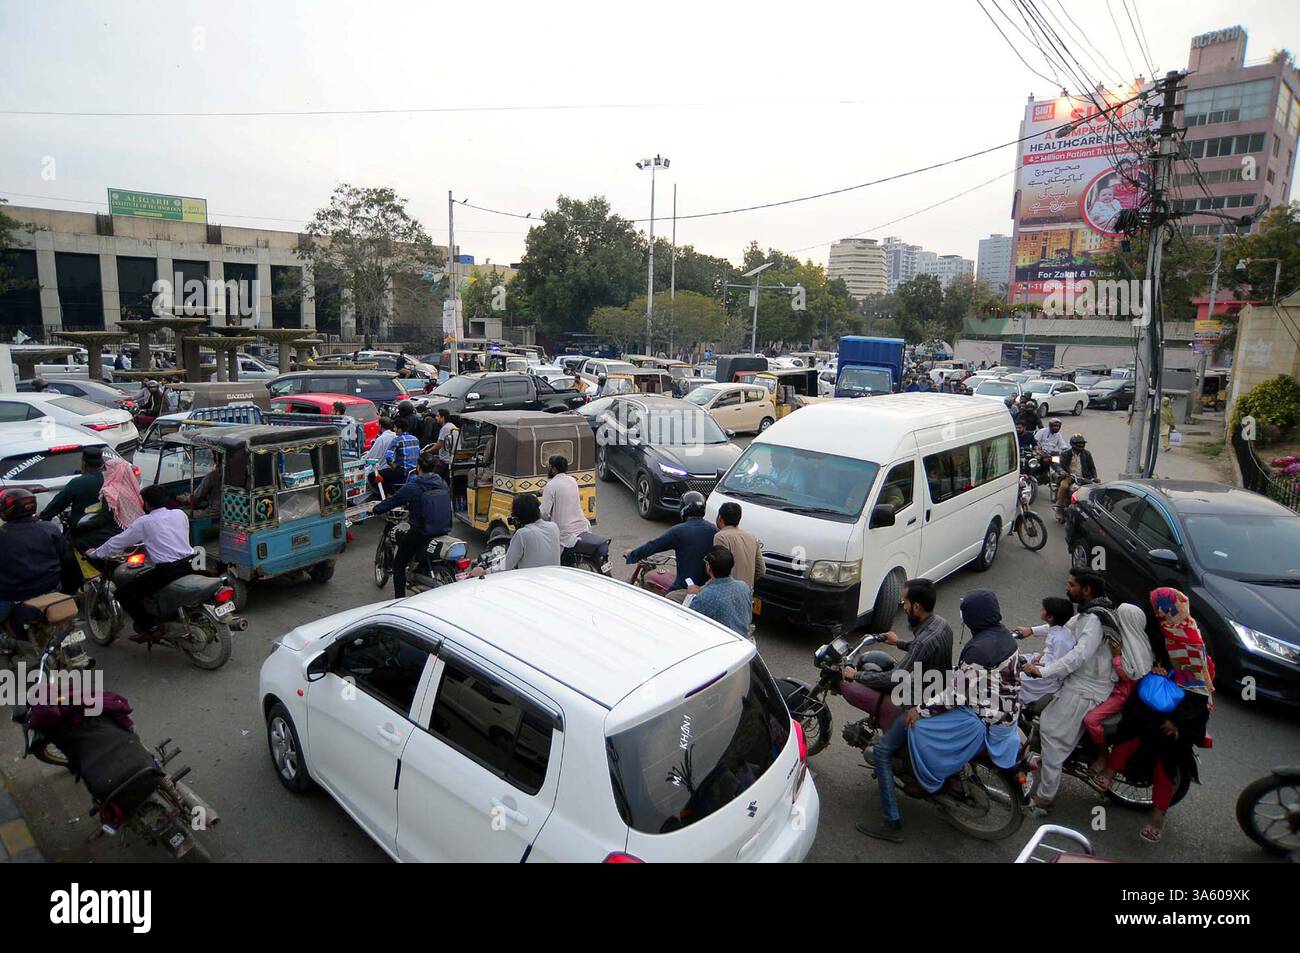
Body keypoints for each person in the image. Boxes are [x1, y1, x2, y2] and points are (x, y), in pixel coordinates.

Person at [1094, 587, 1214, 842]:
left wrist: (1176, 720)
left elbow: (1198, 690)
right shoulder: (1164, 631)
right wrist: (1157, 667)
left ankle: (1158, 817)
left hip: (1183, 714)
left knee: (1165, 762)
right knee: (1131, 729)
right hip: (1157, 701)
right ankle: (1110, 772)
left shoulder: (1188, 642)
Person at [840, 578, 954, 843]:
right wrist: (898, 642)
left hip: (921, 702)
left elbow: (895, 677)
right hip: (940, 691)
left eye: (905, 602)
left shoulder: (924, 641)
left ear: (916, 607)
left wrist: (856, 675)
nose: (903, 606)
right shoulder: (941, 625)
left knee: (881, 752)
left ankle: (891, 822)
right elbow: (920, 647)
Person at [905, 589, 1021, 803]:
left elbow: (955, 695)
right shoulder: (1004, 635)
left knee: (917, 728)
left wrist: (920, 710)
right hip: (1006, 711)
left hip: (984, 717)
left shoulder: (979, 650)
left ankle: (932, 780)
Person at [1017, 570, 1115, 810]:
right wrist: (1031, 630)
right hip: (1078, 678)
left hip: (1086, 687)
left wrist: (1043, 671)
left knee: (1052, 732)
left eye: (1071, 585)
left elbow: (1079, 655)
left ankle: (1046, 797)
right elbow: (1063, 626)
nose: (1067, 588)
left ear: (1086, 590)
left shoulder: (1095, 620)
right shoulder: (1089, 611)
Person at [89, 484, 195, 642]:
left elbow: (117, 542)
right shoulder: (180, 514)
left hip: (167, 571)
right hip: (188, 565)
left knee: (123, 594)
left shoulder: (144, 522)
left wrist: (95, 553)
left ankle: (150, 627)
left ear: (146, 503)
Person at [1082, 602, 1153, 774]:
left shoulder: (1136, 647)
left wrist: (1116, 657)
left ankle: (1102, 754)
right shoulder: (1129, 639)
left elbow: (1129, 676)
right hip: (1106, 685)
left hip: (1120, 695)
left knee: (1090, 720)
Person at [372, 450, 452, 598]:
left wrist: (375, 509)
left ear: (418, 467)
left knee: (399, 564)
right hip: (443, 528)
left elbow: (393, 500)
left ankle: (400, 600)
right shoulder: (442, 483)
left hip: (421, 532)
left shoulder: (414, 486)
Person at [0, 488, 80, 619]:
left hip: (13, 596)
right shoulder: (50, 529)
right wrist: (67, 592)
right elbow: (69, 562)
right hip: (52, 589)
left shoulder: (3, 535)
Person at [623, 490, 716, 596]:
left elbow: (654, 545)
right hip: (708, 586)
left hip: (684, 587)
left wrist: (632, 554)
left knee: (667, 598)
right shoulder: (713, 529)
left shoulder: (679, 531)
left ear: (683, 508)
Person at [469, 493, 561, 576]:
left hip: (531, 582)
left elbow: (506, 566)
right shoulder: (554, 527)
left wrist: (484, 571)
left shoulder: (522, 534)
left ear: (519, 516)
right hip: (554, 578)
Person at [39, 446, 112, 548]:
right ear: (102, 463)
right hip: (111, 530)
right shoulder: (112, 478)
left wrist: (43, 517)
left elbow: (57, 504)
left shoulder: (78, 483)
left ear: (83, 463)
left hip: (84, 533)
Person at [1016, 596, 1076, 708]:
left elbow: (1059, 666)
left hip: (1047, 676)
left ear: (1050, 617)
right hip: (1042, 662)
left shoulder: (1061, 639)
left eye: (1043, 609)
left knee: (1015, 679)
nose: (1041, 609)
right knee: (1015, 660)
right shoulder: (1057, 630)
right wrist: (1040, 657)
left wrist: (1039, 667)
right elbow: (1050, 650)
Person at [684, 546, 752, 638]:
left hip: (719, 641)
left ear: (708, 567)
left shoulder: (705, 596)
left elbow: (687, 620)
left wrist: (690, 595)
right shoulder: (744, 587)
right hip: (743, 638)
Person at [540, 455, 590, 549]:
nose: (549, 469)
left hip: (564, 532)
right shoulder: (572, 480)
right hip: (581, 526)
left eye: (550, 467)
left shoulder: (551, 485)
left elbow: (544, 513)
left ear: (554, 469)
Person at [712, 501, 764, 591]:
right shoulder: (751, 537)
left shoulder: (721, 536)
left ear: (719, 517)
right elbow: (761, 570)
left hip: (727, 592)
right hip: (746, 593)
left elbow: (719, 570)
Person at [1055, 433, 1097, 523]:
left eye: (1082, 443)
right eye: (1078, 444)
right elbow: (1059, 466)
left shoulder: (1087, 454)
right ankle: (1059, 509)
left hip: (1083, 478)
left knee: (1092, 492)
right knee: (1064, 487)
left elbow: (1092, 467)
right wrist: (1062, 472)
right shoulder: (1065, 454)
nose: (1081, 445)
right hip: (1068, 477)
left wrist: (1095, 478)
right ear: (1073, 444)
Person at [380, 416, 420, 491]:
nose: (394, 429)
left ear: (400, 429)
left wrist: (394, 467)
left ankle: (387, 494)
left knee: (374, 475)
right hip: (414, 471)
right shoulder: (415, 439)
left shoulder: (397, 440)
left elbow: (388, 458)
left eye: (395, 427)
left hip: (402, 473)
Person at [430, 408, 458, 482]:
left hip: (445, 460)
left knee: (433, 478)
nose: (436, 418)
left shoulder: (445, 428)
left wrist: (428, 451)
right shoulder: (451, 426)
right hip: (450, 457)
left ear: (442, 418)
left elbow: (439, 445)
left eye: (437, 416)